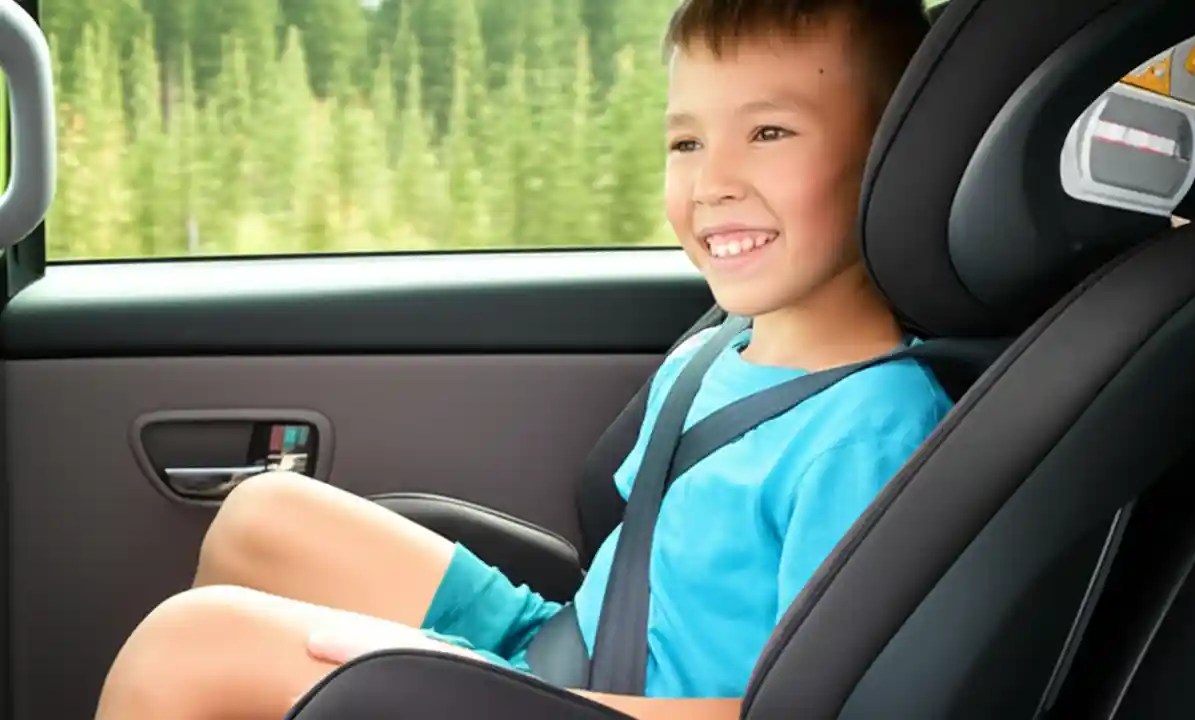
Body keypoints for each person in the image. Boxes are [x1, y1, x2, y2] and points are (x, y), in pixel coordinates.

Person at [94, 1, 939, 718]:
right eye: (685, 143)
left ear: (890, 159)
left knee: (188, 650)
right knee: (264, 515)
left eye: (768, 131)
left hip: (621, 708)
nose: (713, 180)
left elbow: (812, 708)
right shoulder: (727, 341)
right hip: (568, 648)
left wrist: (418, 663)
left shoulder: (872, 430)